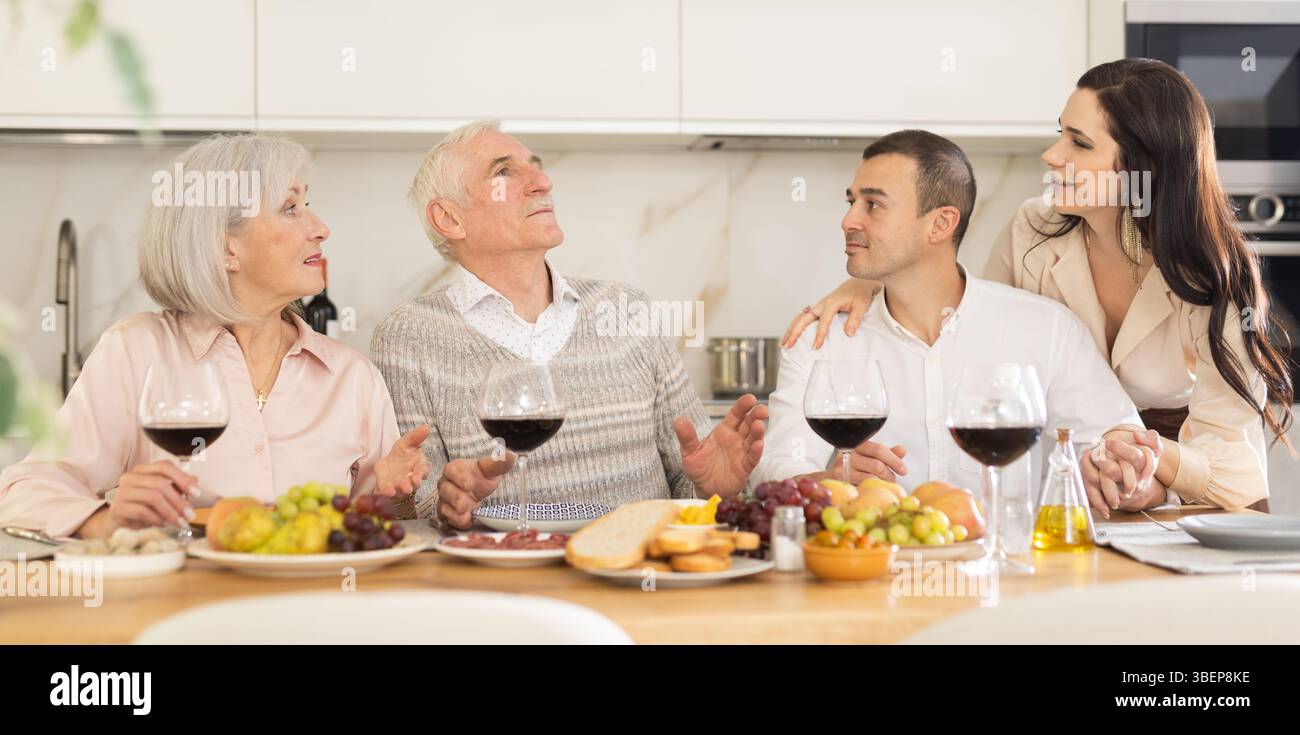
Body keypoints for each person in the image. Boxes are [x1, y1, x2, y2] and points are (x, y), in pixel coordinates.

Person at [785, 59, 1292, 513]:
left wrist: (1152, 462)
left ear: (1141, 167)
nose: (1052, 155)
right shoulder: (1035, 229)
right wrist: (875, 287)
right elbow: (973, 322)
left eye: (1079, 142)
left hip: (1195, 486)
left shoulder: (1215, 273)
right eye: (1060, 133)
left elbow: (1232, 468)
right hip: (1098, 477)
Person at [0, 134, 430, 539]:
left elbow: (372, 528)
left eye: (308, 206)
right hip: (178, 605)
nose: (320, 228)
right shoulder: (136, 351)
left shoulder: (351, 376)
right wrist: (106, 521)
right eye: (290, 208)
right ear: (226, 249)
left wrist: (396, 495)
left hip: (313, 609)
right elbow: (25, 490)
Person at [372, 121, 766, 529]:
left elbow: (696, 483)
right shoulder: (408, 337)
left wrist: (714, 489)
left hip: (638, 576)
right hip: (506, 584)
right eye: (504, 172)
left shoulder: (627, 308)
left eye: (536, 167)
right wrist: (445, 506)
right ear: (449, 218)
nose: (543, 182)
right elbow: (421, 508)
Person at [755, 130, 1143, 498]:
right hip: (871, 562)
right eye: (851, 202)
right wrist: (829, 478)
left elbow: (1112, 442)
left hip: (1012, 564)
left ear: (941, 223)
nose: (848, 220)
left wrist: (1112, 468)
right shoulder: (820, 339)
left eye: (872, 204)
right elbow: (774, 469)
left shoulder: (1048, 329)